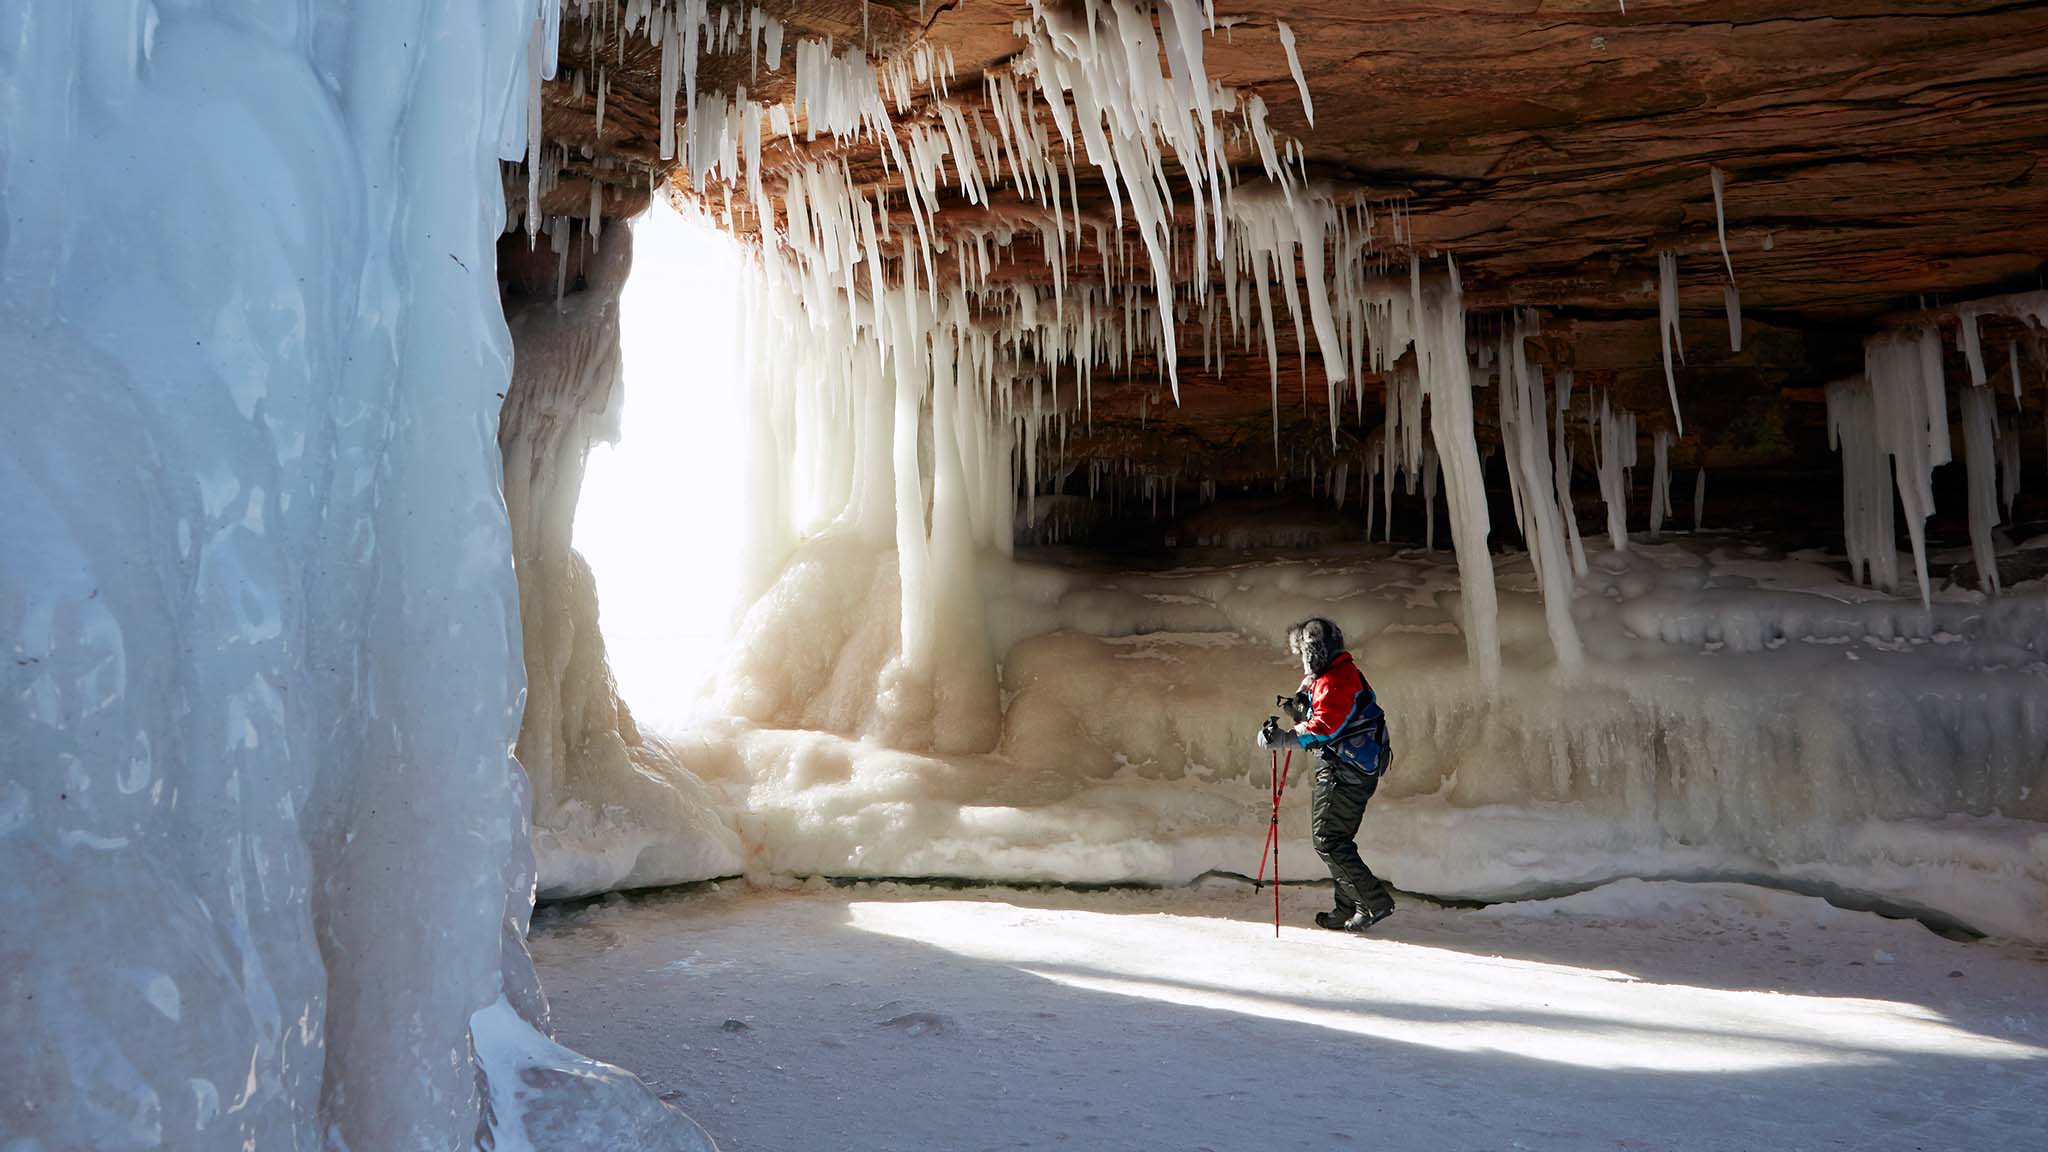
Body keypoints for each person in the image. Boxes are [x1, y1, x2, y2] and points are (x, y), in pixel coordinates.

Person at [1282, 617, 1396, 932]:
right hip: (1348, 768)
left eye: (1306, 653)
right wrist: (1299, 712)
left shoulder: (1336, 679)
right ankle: (1346, 907)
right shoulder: (1335, 674)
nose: (1304, 660)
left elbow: (1325, 727)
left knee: (1328, 841)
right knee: (1337, 839)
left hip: (1345, 772)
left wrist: (1286, 738)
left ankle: (1372, 902)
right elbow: (1327, 715)